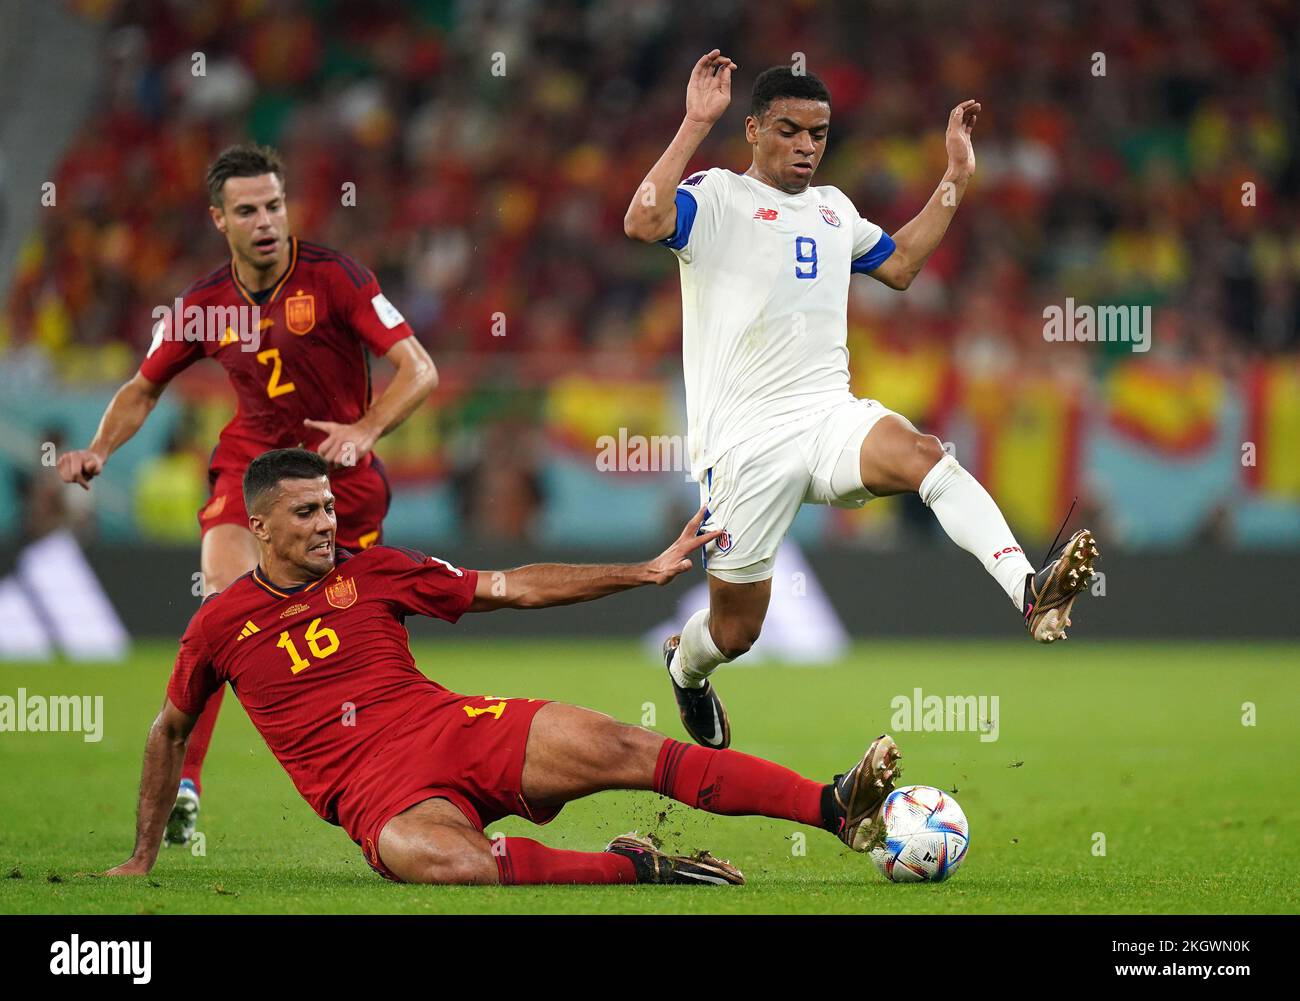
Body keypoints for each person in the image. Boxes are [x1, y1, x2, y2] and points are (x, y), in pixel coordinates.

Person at [106, 449, 901, 885]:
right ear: (259, 525)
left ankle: (832, 807)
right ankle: (636, 868)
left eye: (330, 507)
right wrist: (142, 854)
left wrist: (647, 570)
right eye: (307, 512)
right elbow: (169, 726)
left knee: (625, 747)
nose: (327, 523)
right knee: (450, 866)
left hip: (454, 728)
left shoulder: (376, 571)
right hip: (378, 795)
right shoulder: (219, 623)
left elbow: (513, 587)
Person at [623, 53, 1100, 749]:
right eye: (788, 130)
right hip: (745, 443)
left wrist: (955, 180)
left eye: (818, 133)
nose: (806, 146)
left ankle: (1029, 591)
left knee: (925, 455)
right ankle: (685, 668)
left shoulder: (832, 210)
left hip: (828, 416)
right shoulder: (715, 196)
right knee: (736, 630)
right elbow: (642, 221)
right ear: (752, 130)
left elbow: (900, 267)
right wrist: (696, 122)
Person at [57, 144, 437, 842]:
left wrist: (368, 427)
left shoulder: (337, 278)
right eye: (247, 211)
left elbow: (419, 369)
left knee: (362, 643)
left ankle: (402, 779)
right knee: (227, 604)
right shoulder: (203, 304)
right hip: (251, 468)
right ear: (219, 220)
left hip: (341, 481)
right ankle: (186, 789)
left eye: (274, 206)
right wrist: (99, 450)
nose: (265, 221)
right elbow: (144, 386)